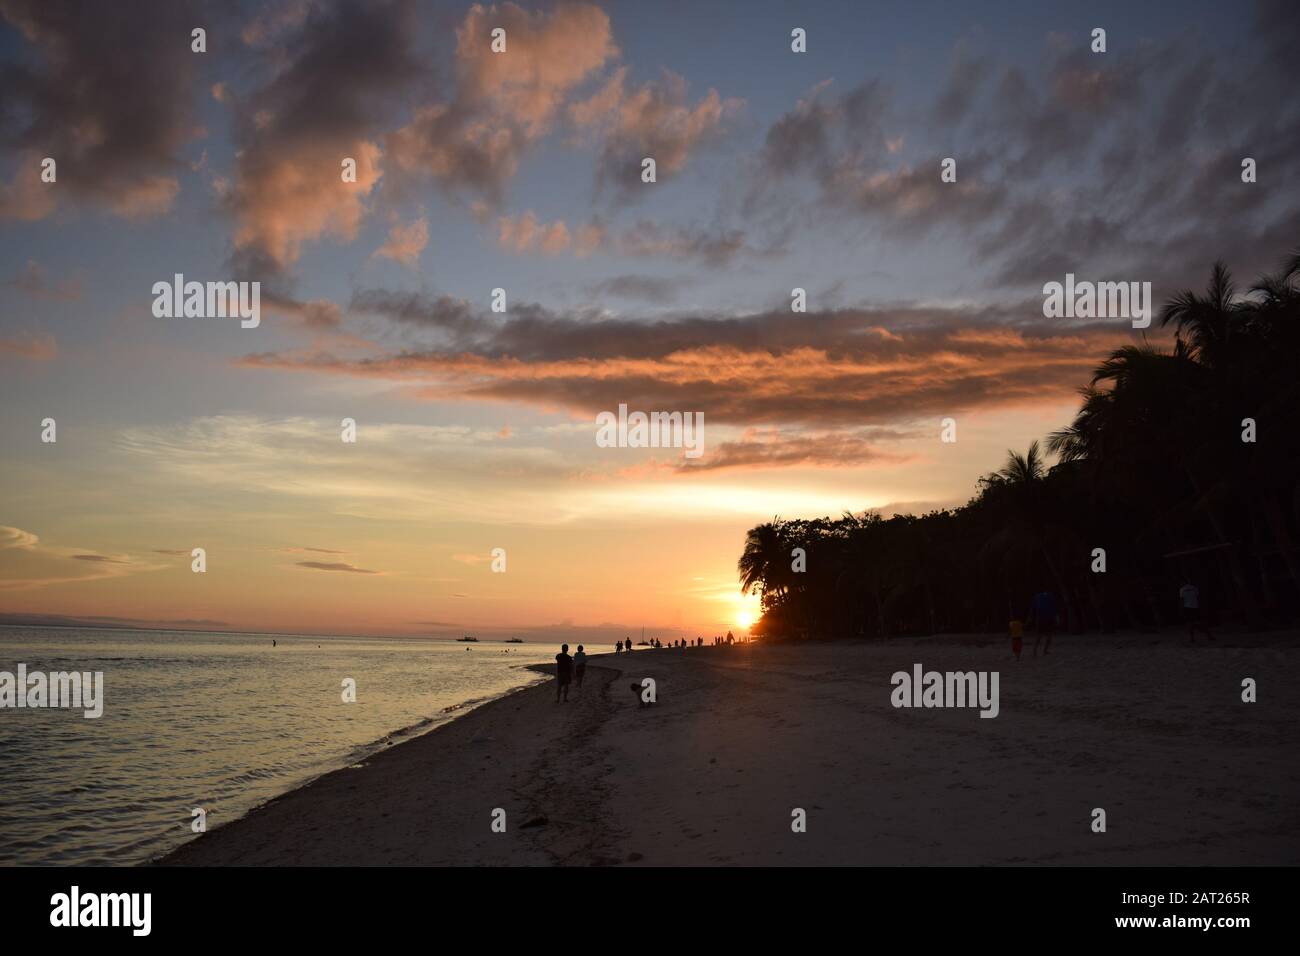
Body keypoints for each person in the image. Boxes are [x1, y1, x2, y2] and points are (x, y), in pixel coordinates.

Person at [1030, 590, 1057, 656]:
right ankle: (1043, 651)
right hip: (1047, 617)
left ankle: (1035, 651)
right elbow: (1054, 607)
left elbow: (1033, 607)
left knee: (1040, 635)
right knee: (1048, 635)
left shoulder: (1037, 596)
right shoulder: (1050, 596)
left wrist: (1032, 616)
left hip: (1041, 617)